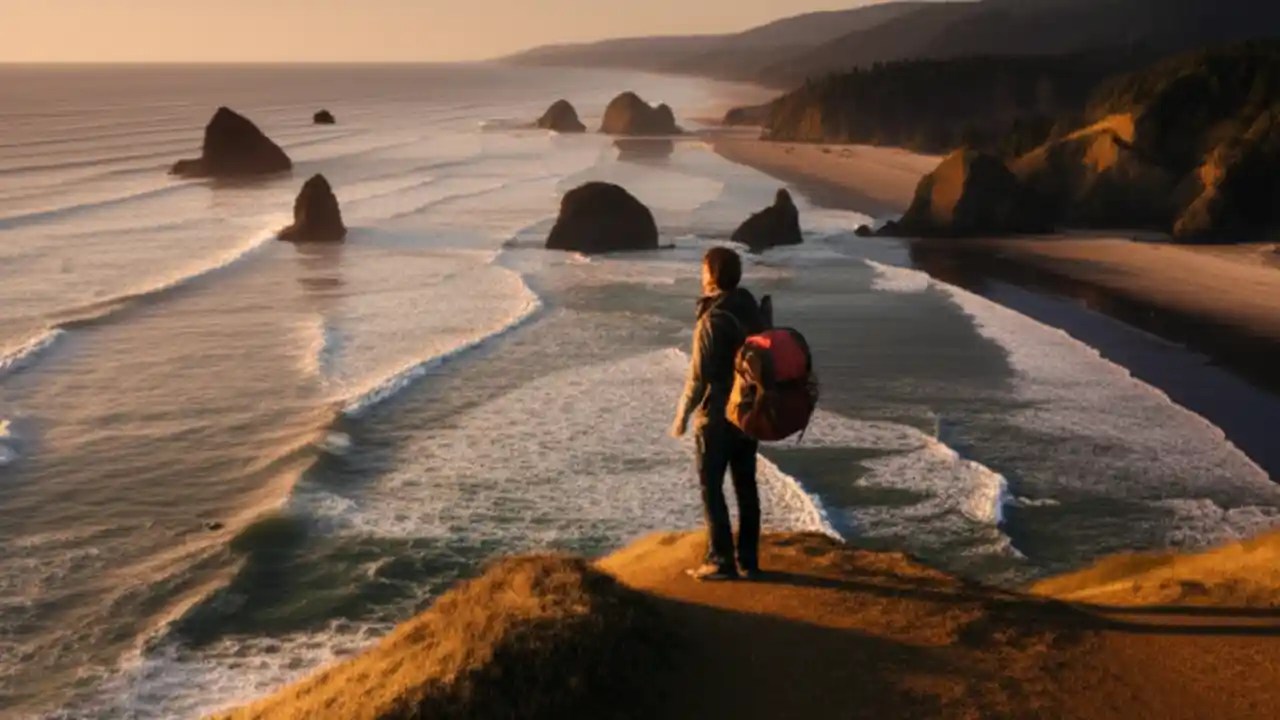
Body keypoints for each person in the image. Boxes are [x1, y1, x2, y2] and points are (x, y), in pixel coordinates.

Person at [671, 247, 766, 581]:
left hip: (717, 416)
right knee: (746, 486)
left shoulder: (712, 319)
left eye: (703, 268)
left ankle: (720, 560)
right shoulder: (751, 310)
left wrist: (681, 416)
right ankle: (749, 561)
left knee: (711, 488)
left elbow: (698, 378)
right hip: (749, 414)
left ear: (711, 274)